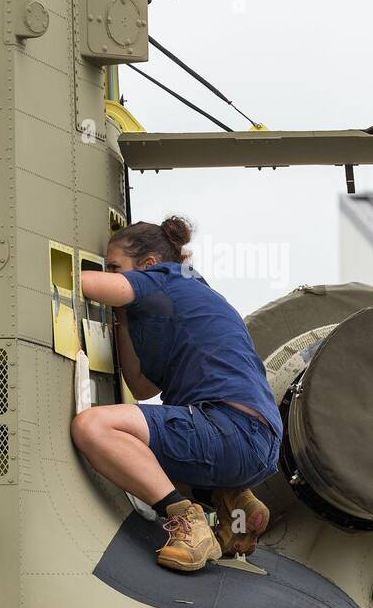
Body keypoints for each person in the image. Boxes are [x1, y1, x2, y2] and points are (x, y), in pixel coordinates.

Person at [70, 216, 282, 572]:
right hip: (253, 441)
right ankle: (233, 500)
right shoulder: (190, 293)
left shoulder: (164, 280)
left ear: (148, 265)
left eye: (115, 267)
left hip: (229, 429)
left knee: (93, 428)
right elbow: (140, 384)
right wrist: (122, 311)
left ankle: (188, 522)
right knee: (138, 454)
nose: (111, 275)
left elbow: (81, 282)